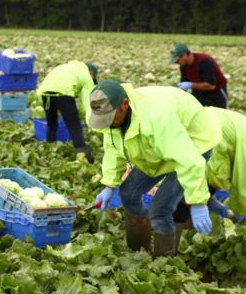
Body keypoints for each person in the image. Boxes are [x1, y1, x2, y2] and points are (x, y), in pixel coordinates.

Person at [90, 79, 220, 256]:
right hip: (155, 149)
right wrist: (109, 185)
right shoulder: (111, 119)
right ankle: (139, 252)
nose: (108, 122)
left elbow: (187, 159)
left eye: (109, 117)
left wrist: (198, 202)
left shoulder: (156, 118)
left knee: (160, 210)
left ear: (124, 104)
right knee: (128, 194)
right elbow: (114, 148)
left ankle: (163, 264)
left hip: (192, 145)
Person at [180, 108, 246, 223]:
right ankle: (179, 225)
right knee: (184, 206)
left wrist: (210, 199)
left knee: (179, 185)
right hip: (207, 142)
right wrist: (241, 210)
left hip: (189, 129)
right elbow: (245, 179)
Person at [37, 61, 99, 161]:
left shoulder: (65, 67)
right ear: (91, 73)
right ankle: (81, 151)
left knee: (51, 122)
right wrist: (89, 116)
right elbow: (87, 101)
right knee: (74, 125)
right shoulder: (86, 76)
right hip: (63, 94)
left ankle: (49, 148)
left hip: (45, 93)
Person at [170, 42, 228, 108]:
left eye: (177, 60)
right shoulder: (183, 66)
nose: (176, 62)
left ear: (185, 55)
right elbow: (183, 83)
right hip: (198, 92)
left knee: (219, 115)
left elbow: (211, 86)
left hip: (216, 94)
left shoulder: (204, 61)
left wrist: (190, 85)